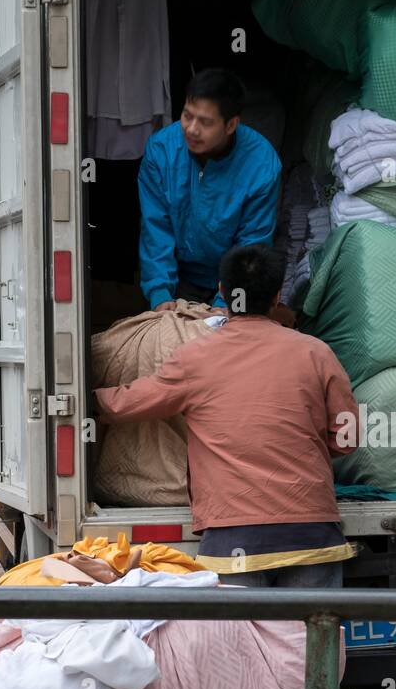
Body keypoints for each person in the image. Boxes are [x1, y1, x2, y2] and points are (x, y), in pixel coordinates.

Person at [95, 244, 359, 588]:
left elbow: (125, 405)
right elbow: (347, 437)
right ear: (278, 296)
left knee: (242, 641)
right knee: (313, 639)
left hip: (233, 536)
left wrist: (80, 398)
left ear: (222, 292)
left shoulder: (195, 358)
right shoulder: (315, 351)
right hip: (313, 534)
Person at [138, 68, 282, 311]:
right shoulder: (161, 150)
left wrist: (222, 305)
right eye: (187, 115)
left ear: (231, 125)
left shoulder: (262, 164)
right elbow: (155, 228)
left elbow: (252, 242)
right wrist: (160, 294)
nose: (192, 129)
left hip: (233, 284)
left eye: (205, 122)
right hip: (178, 279)